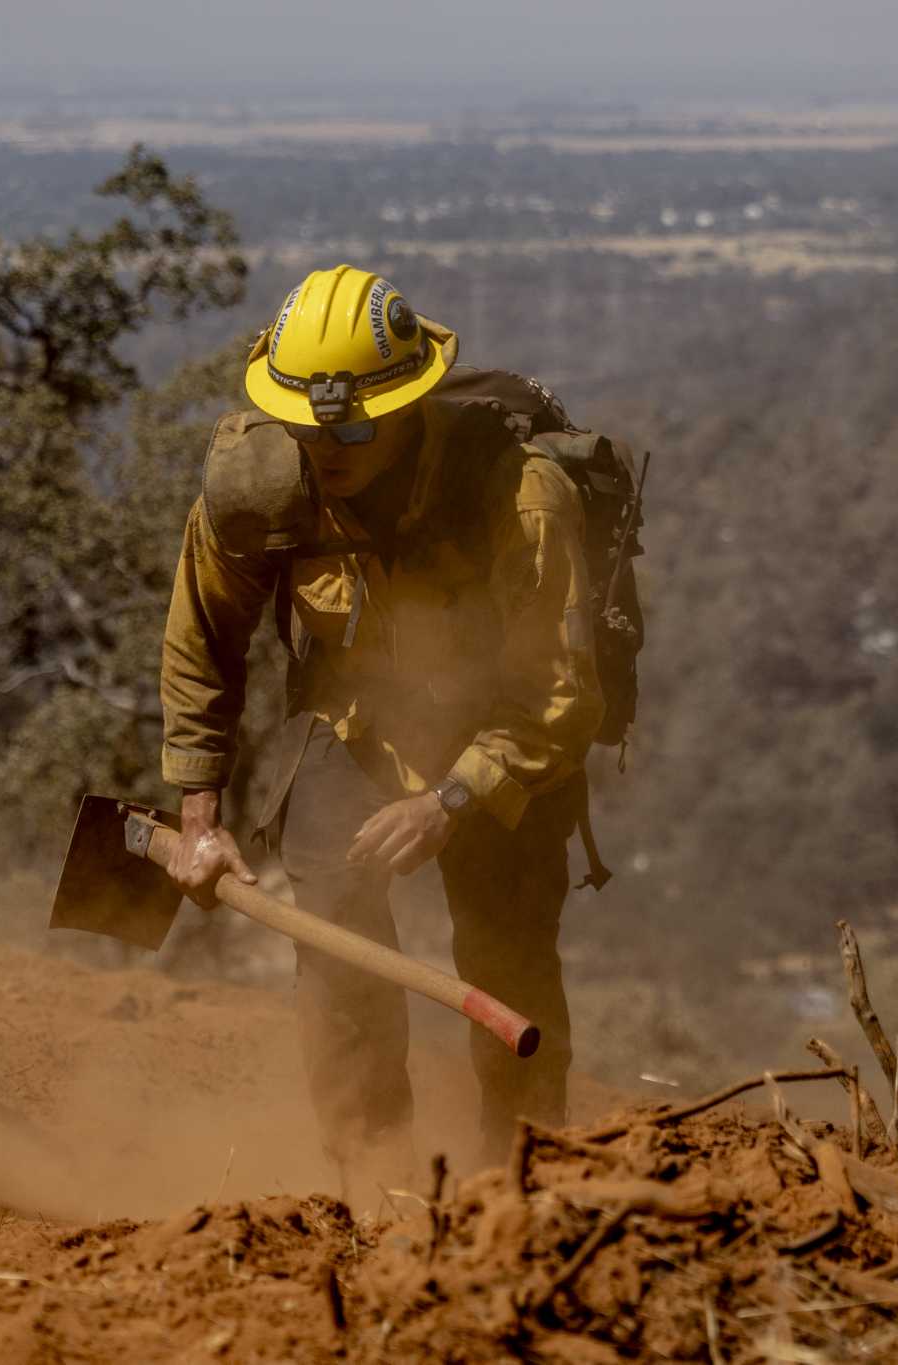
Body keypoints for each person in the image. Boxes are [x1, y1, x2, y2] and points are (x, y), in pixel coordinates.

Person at [157, 264, 604, 1198]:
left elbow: (561, 695)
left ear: (411, 403)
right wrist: (198, 816)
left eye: (355, 423)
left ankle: (520, 1180)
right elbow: (203, 642)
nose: (331, 446)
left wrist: (450, 800)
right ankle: (374, 1182)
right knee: (334, 942)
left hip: (504, 745)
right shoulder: (256, 486)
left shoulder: (518, 499)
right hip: (358, 724)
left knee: (506, 953)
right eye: (311, 424)